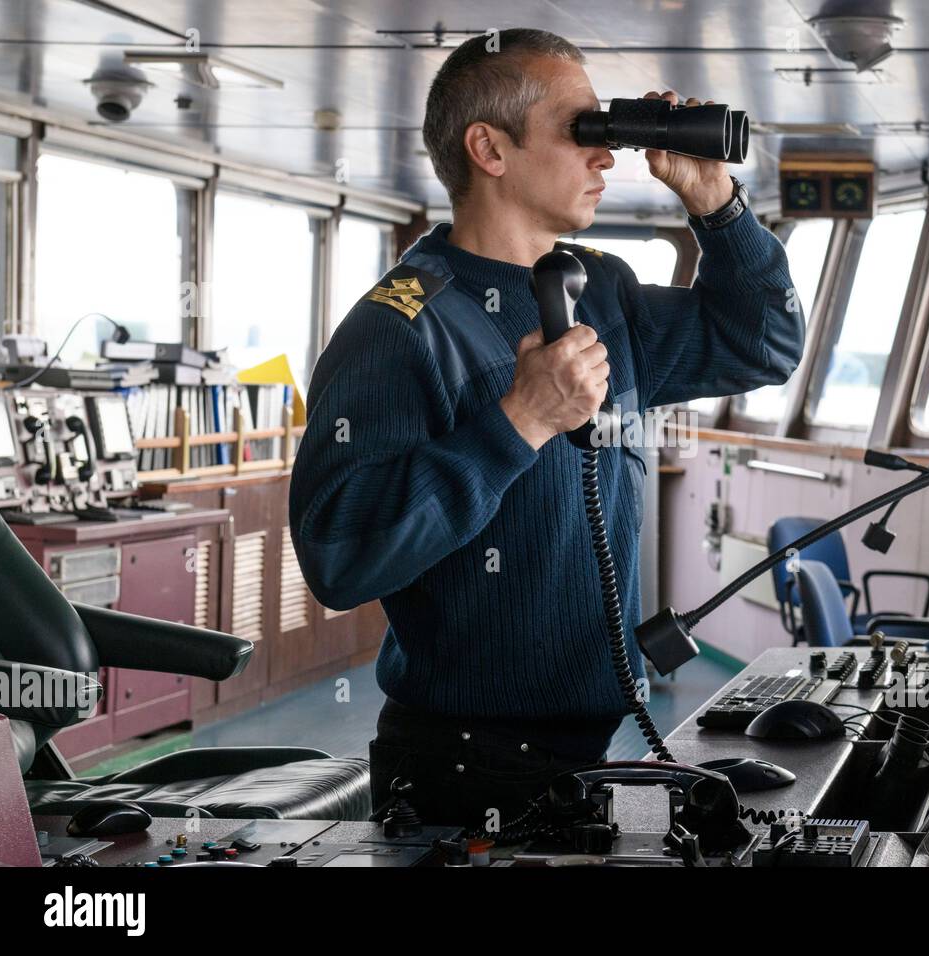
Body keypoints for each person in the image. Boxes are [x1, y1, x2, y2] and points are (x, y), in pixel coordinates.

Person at [289, 27, 804, 831]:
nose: (607, 155)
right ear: (490, 148)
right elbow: (339, 556)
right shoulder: (397, 329)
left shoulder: (602, 290)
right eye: (582, 130)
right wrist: (518, 422)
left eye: (607, 131)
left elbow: (765, 343)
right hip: (460, 771)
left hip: (590, 754)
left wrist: (716, 203)